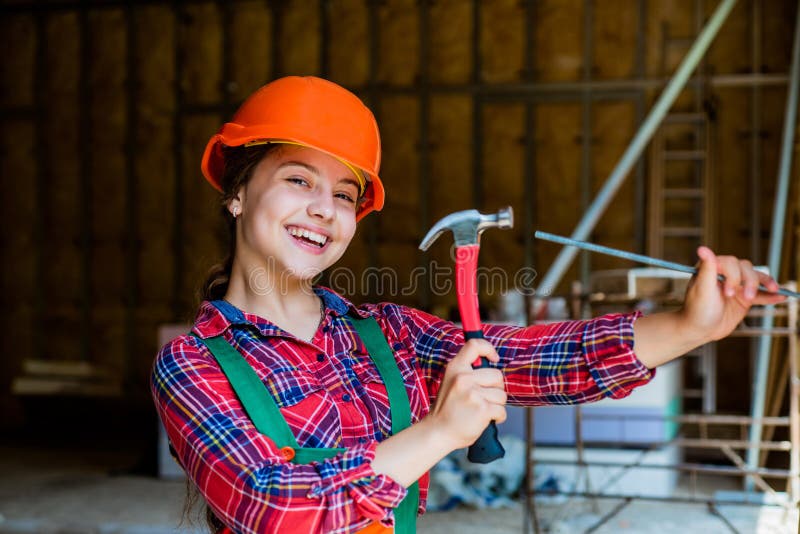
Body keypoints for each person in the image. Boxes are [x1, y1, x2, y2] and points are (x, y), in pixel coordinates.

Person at [150, 76, 785, 534]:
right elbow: (272, 505)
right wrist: (439, 433)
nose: (324, 208)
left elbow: (529, 359)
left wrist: (688, 326)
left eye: (345, 194)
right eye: (298, 180)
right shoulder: (191, 366)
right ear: (237, 192)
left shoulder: (384, 334)